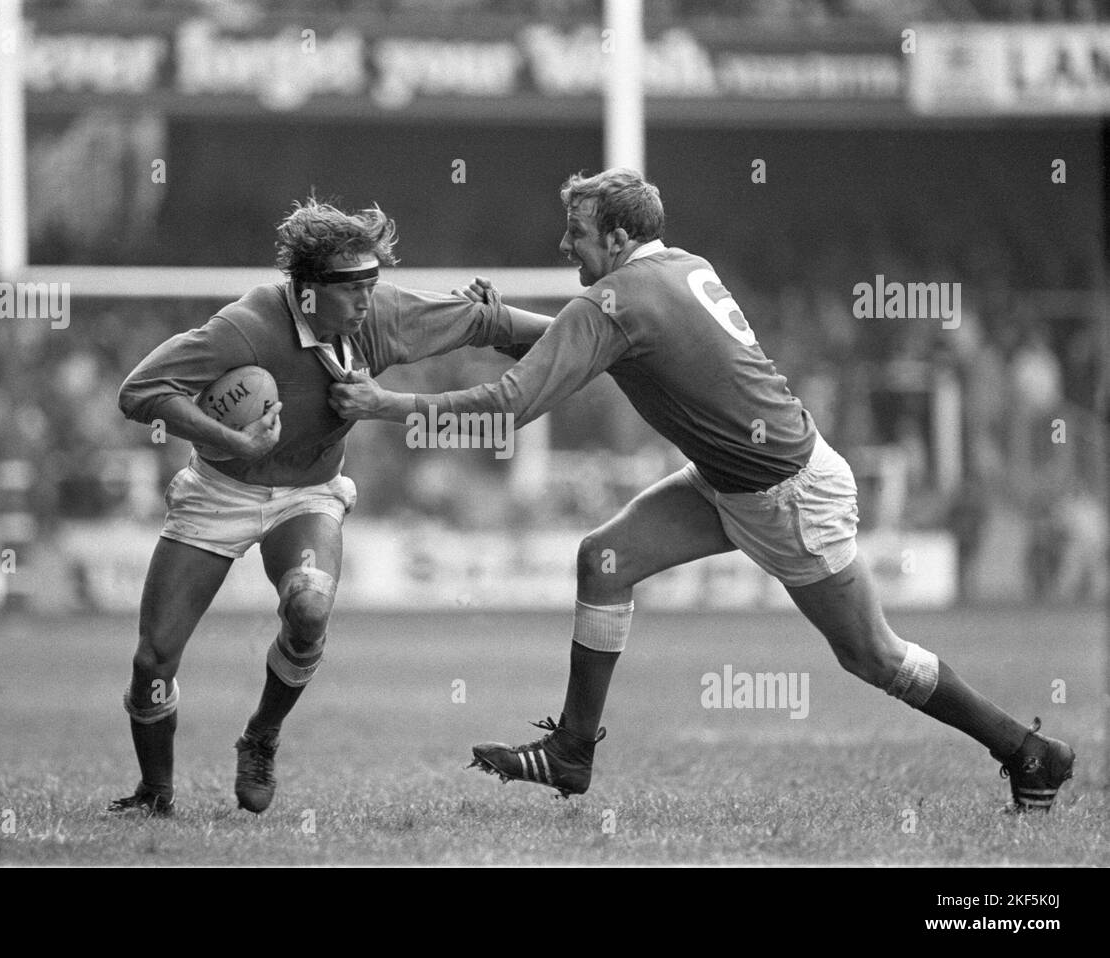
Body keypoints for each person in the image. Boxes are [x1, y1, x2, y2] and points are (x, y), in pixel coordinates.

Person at [329, 169, 1075, 812]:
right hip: (738, 480)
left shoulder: (616, 301)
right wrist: (490, 321)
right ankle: (572, 752)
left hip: (788, 496)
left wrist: (385, 405)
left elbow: (511, 404)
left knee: (874, 658)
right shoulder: (676, 269)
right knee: (605, 560)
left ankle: (1027, 751)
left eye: (577, 232)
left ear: (618, 239)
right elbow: (589, 342)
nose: (565, 246)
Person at [111, 198, 552, 816]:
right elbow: (140, 391)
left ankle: (261, 736)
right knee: (154, 657)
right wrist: (233, 440)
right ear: (307, 291)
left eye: (373, 282)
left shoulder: (379, 311)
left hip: (309, 493)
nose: (368, 299)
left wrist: (589, 335)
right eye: (352, 288)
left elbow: (490, 324)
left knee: (310, 606)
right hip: (219, 492)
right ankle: (154, 793)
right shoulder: (244, 328)